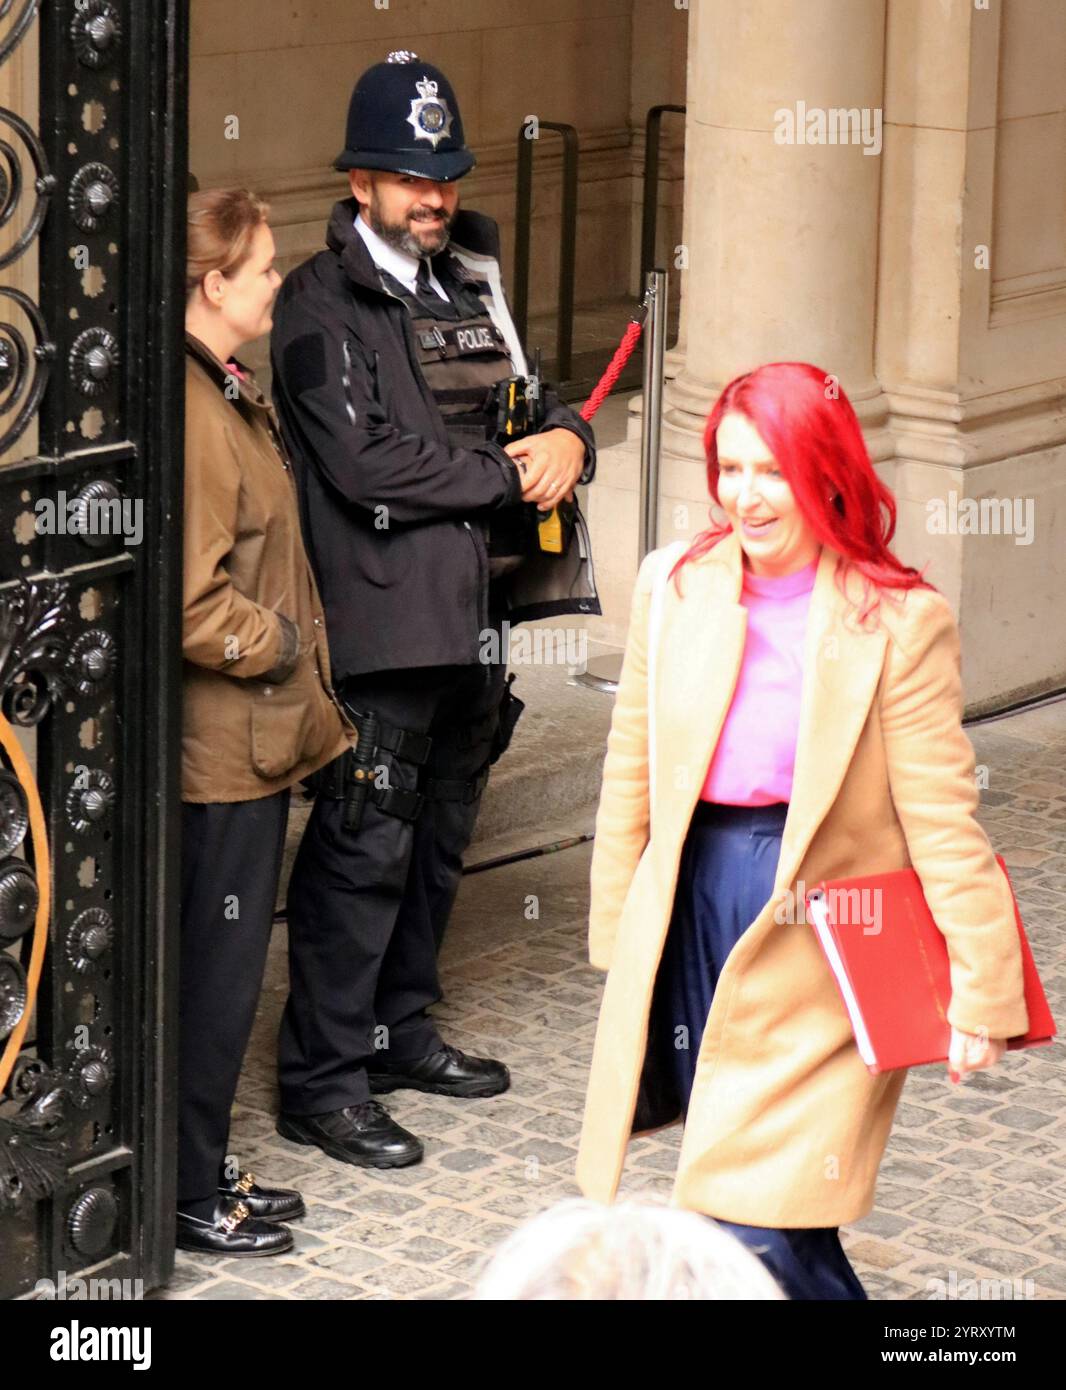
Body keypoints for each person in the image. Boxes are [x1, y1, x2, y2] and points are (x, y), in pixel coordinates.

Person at [575, 361, 1030, 1300]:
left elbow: (944, 819)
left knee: (748, 1221)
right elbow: (633, 770)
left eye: (772, 470)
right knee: (765, 1217)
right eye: (729, 469)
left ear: (825, 473)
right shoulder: (676, 586)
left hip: (824, 934)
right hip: (697, 899)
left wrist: (983, 988)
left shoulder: (899, 621)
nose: (745, 495)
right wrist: (621, 932)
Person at [268, 52, 599, 1168]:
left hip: (478, 606)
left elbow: (533, 399)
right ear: (360, 179)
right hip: (383, 617)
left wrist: (570, 439)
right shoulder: (318, 302)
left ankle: (398, 1031)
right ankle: (321, 1080)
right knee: (364, 844)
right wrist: (511, 475)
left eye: (445, 176)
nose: (435, 197)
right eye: (412, 178)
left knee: (440, 837)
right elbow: (366, 462)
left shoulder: (470, 277)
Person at [178, 188, 352, 1255]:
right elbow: (192, 603)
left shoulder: (218, 384)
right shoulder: (198, 414)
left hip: (250, 746)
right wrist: (281, 643)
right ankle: (190, 1191)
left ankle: (194, 1161)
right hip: (224, 755)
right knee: (214, 979)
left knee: (222, 973)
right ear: (213, 283)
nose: (278, 284)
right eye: (265, 270)